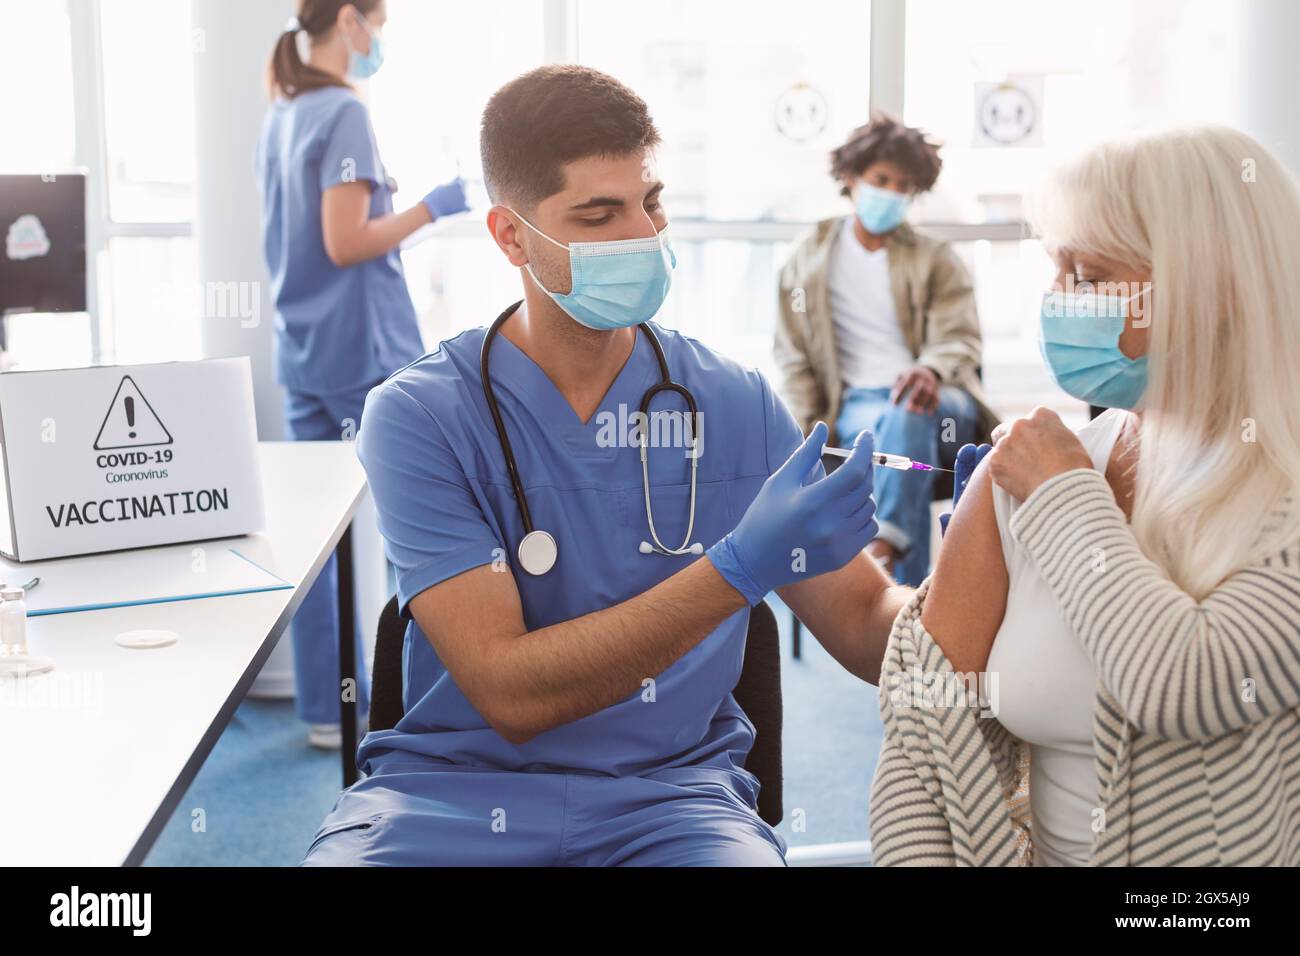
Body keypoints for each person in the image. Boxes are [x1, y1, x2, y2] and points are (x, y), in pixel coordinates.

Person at [303, 66, 912, 867]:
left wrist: (990, 548)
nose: (641, 234)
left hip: (675, 802)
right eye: (598, 214)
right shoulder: (419, 417)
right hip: (443, 799)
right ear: (510, 235)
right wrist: (737, 569)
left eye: (649, 202)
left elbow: (870, 627)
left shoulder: (733, 404)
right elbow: (511, 694)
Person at [874, 125, 1300, 866]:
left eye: (1093, 277)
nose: (1061, 303)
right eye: (1057, 271)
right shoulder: (1027, 471)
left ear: (1219, 289)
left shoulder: (1274, 494)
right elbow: (924, 722)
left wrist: (1066, 496)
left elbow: (1186, 685)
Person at [255, 0, 469, 749]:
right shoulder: (342, 110)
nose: (378, 39)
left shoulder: (283, 108)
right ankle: (439, 702)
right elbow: (347, 243)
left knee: (321, 535)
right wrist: (431, 208)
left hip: (305, 348)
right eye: (377, 23)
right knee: (427, 525)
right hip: (360, 351)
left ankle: (329, 708)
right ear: (349, 19)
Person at [776, 113, 998, 585]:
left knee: (912, 407)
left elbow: (960, 338)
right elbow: (793, 357)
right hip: (855, 408)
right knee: (891, 441)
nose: (891, 193)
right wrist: (799, 437)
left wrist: (930, 371)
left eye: (903, 186)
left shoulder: (935, 259)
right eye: (881, 179)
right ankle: (911, 600)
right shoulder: (807, 259)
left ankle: (885, 549)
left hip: (944, 406)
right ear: (851, 176)